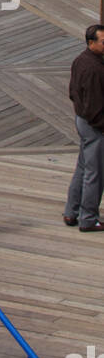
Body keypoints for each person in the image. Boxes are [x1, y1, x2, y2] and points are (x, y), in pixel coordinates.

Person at [64, 24, 104, 232]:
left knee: (83, 167)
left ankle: (71, 212)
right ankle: (89, 218)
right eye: (103, 42)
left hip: (82, 121)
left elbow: (73, 92)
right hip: (95, 126)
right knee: (95, 173)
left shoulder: (80, 60)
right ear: (91, 43)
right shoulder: (95, 69)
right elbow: (95, 108)